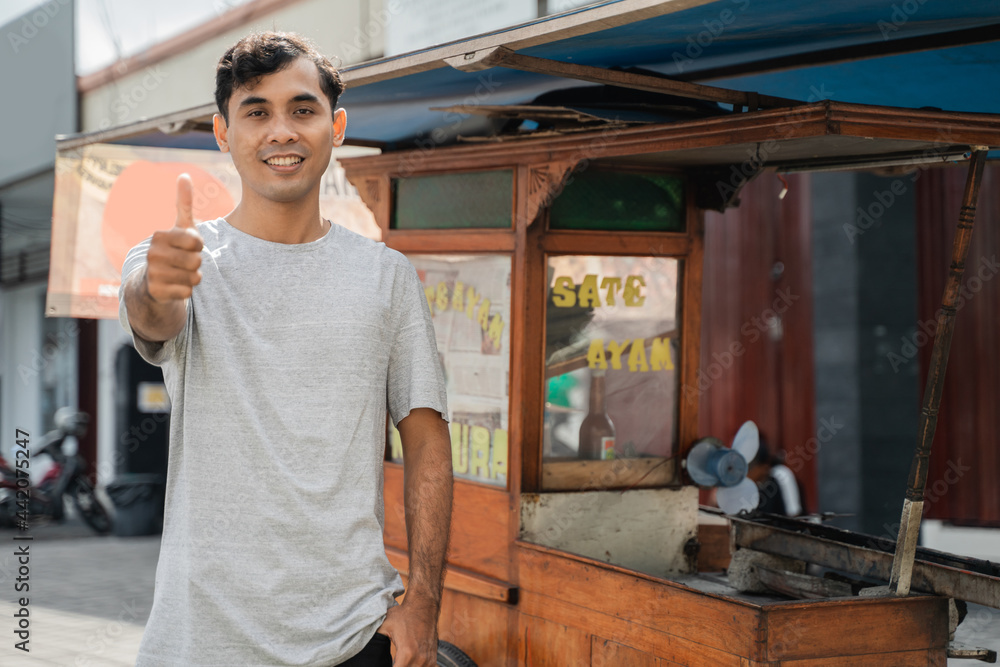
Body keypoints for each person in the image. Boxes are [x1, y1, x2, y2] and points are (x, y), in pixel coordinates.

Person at [118, 31, 452, 667]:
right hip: (202, 640)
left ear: (337, 126)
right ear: (222, 132)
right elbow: (154, 312)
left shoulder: (386, 276)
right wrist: (158, 284)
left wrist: (425, 606)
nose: (282, 131)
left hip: (354, 636)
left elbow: (427, 440)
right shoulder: (182, 258)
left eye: (303, 109)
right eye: (256, 111)